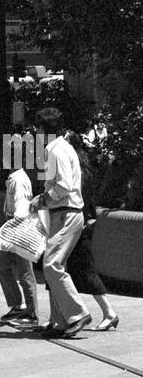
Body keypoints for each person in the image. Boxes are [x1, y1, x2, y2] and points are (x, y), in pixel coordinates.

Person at [29, 107, 89, 338]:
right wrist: (43, 199)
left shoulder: (56, 150)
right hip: (64, 212)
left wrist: (43, 198)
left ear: (45, 130)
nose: (35, 131)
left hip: (66, 213)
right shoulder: (61, 148)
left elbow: (64, 186)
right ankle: (60, 321)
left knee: (51, 265)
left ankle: (78, 313)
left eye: (38, 127)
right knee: (56, 266)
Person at [65, 133, 118, 331]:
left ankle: (109, 313)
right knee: (67, 269)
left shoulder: (77, 169)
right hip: (82, 223)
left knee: (85, 270)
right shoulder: (81, 168)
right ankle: (62, 315)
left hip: (80, 225)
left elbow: (83, 199)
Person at [0, 162, 39, 325]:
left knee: (25, 272)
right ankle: (17, 306)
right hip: (15, 225)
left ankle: (32, 313)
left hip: (19, 227)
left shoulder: (18, 180)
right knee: (2, 266)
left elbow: (21, 207)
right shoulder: (15, 177)